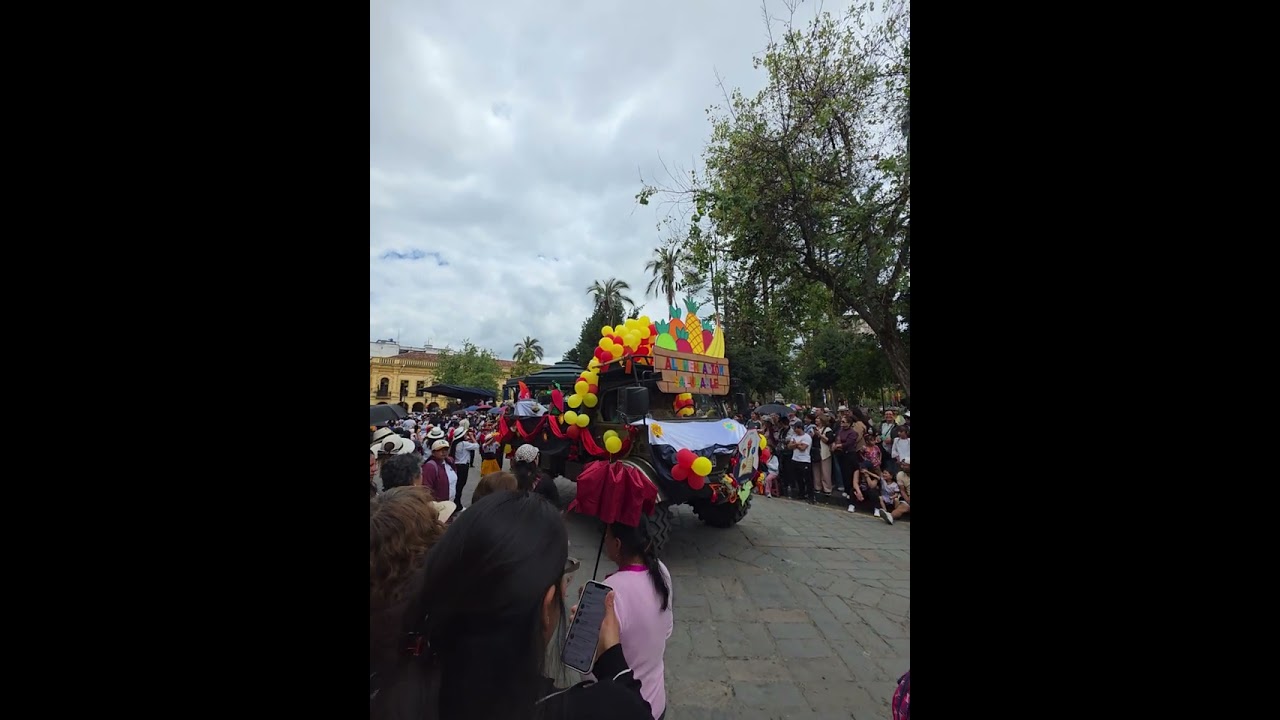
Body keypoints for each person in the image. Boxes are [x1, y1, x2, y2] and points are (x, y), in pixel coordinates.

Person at [369, 492, 653, 720]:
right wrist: (613, 658)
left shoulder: (388, 689)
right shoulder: (598, 708)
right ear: (546, 605)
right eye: (564, 573)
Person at [596, 521, 673, 720]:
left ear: (618, 544)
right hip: (656, 702)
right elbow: (667, 629)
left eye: (607, 537)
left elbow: (589, 668)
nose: (605, 541)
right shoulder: (661, 571)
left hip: (625, 708)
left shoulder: (609, 593)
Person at [450, 424, 480, 509]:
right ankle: (457, 505)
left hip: (457, 465)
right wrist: (472, 436)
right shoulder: (463, 444)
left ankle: (455, 503)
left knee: (457, 486)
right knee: (460, 486)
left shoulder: (455, 443)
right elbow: (477, 445)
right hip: (463, 466)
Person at [787, 422, 814, 503]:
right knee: (798, 478)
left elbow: (803, 448)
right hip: (795, 459)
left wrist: (796, 444)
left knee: (807, 479)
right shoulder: (794, 436)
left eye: (796, 428)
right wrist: (797, 444)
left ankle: (811, 496)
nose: (795, 430)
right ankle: (801, 493)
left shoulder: (807, 437)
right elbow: (789, 446)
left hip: (804, 460)